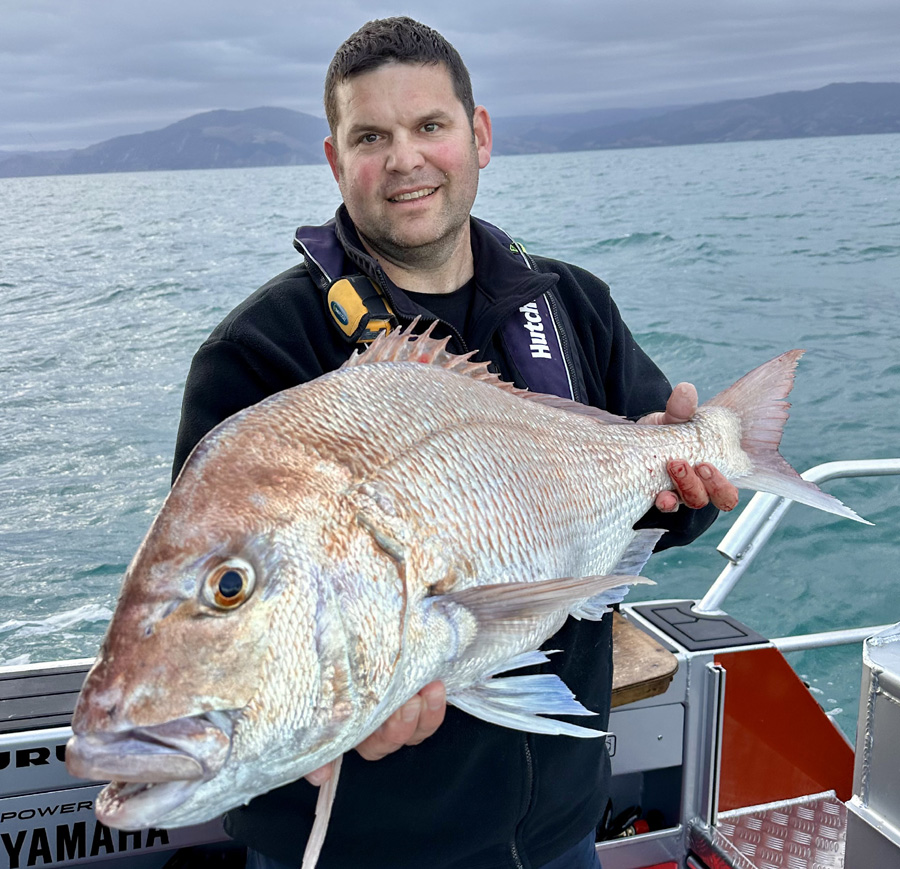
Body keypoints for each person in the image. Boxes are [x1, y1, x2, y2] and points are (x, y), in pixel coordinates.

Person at [172, 16, 738, 869]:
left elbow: (652, 517)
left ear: (477, 137)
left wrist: (685, 485)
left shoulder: (573, 304)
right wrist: (341, 722)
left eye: (430, 126)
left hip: (558, 836)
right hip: (355, 851)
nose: (405, 158)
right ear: (335, 160)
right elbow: (211, 616)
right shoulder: (260, 355)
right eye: (371, 136)